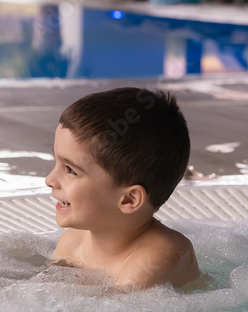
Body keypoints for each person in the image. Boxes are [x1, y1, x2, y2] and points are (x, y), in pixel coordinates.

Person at [44, 87, 200, 288]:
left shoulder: (161, 255)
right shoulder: (73, 241)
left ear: (129, 200)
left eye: (70, 170)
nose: (49, 179)